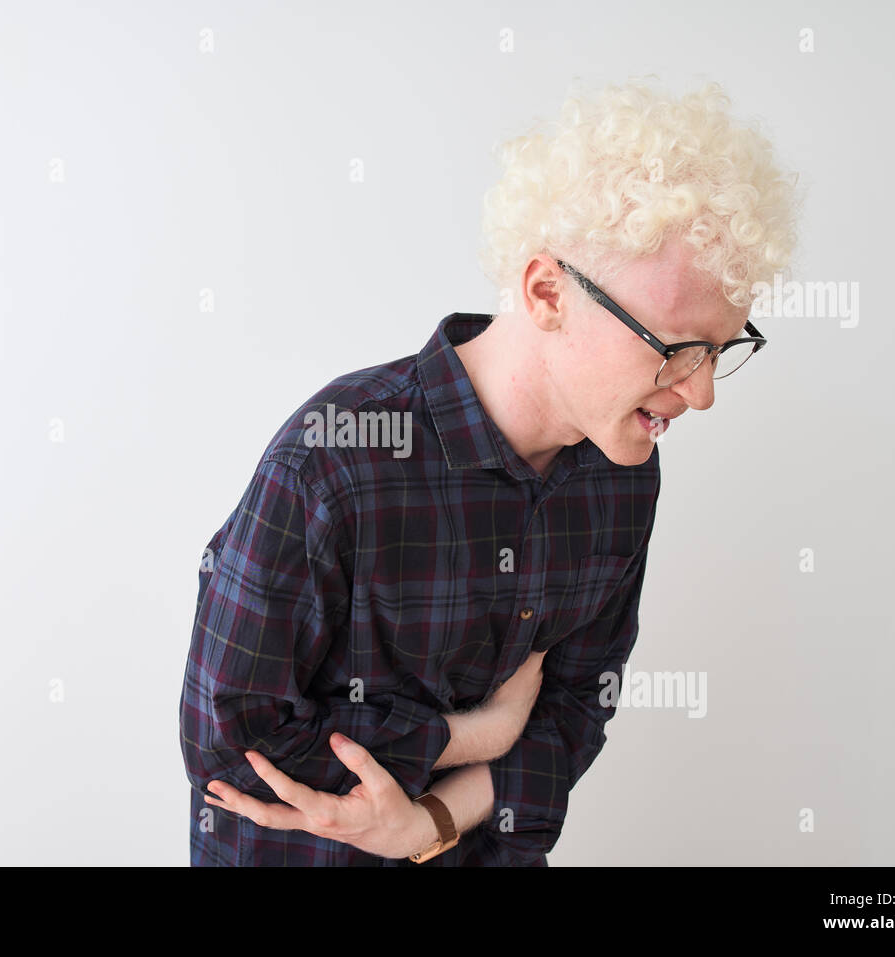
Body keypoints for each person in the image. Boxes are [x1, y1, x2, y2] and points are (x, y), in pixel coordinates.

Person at [179, 79, 799, 865]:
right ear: (547, 292)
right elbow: (235, 748)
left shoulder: (623, 473)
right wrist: (475, 733)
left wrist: (430, 819)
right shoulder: (335, 458)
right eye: (676, 346)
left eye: (720, 349)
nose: (702, 392)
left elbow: (575, 711)